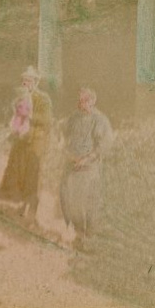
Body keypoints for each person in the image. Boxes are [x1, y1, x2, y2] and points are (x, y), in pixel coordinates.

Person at [0, 67, 53, 223]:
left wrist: (30, 115)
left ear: (35, 82)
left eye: (28, 80)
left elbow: (47, 120)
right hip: (22, 140)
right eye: (24, 80)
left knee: (33, 175)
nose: (25, 83)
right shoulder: (21, 98)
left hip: (36, 142)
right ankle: (21, 207)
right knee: (19, 172)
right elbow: (16, 116)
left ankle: (32, 212)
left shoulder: (43, 99)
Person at [59, 87, 113, 245]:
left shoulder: (99, 120)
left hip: (89, 167)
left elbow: (103, 145)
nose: (81, 103)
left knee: (87, 201)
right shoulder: (74, 117)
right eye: (80, 100)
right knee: (68, 196)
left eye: (84, 100)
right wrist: (64, 149)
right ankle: (77, 233)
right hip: (72, 163)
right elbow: (63, 132)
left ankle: (89, 235)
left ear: (92, 101)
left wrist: (87, 159)